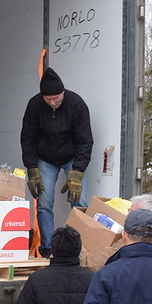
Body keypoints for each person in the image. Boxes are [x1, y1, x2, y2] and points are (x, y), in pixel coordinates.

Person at [21, 67, 93, 259]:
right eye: (48, 99)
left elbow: (85, 141)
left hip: (72, 157)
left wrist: (77, 172)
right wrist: (32, 168)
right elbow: (28, 139)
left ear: (63, 92)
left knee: (79, 201)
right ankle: (47, 248)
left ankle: (80, 248)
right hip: (45, 158)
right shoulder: (35, 105)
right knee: (44, 203)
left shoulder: (77, 104)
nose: (52, 102)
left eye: (56, 98)